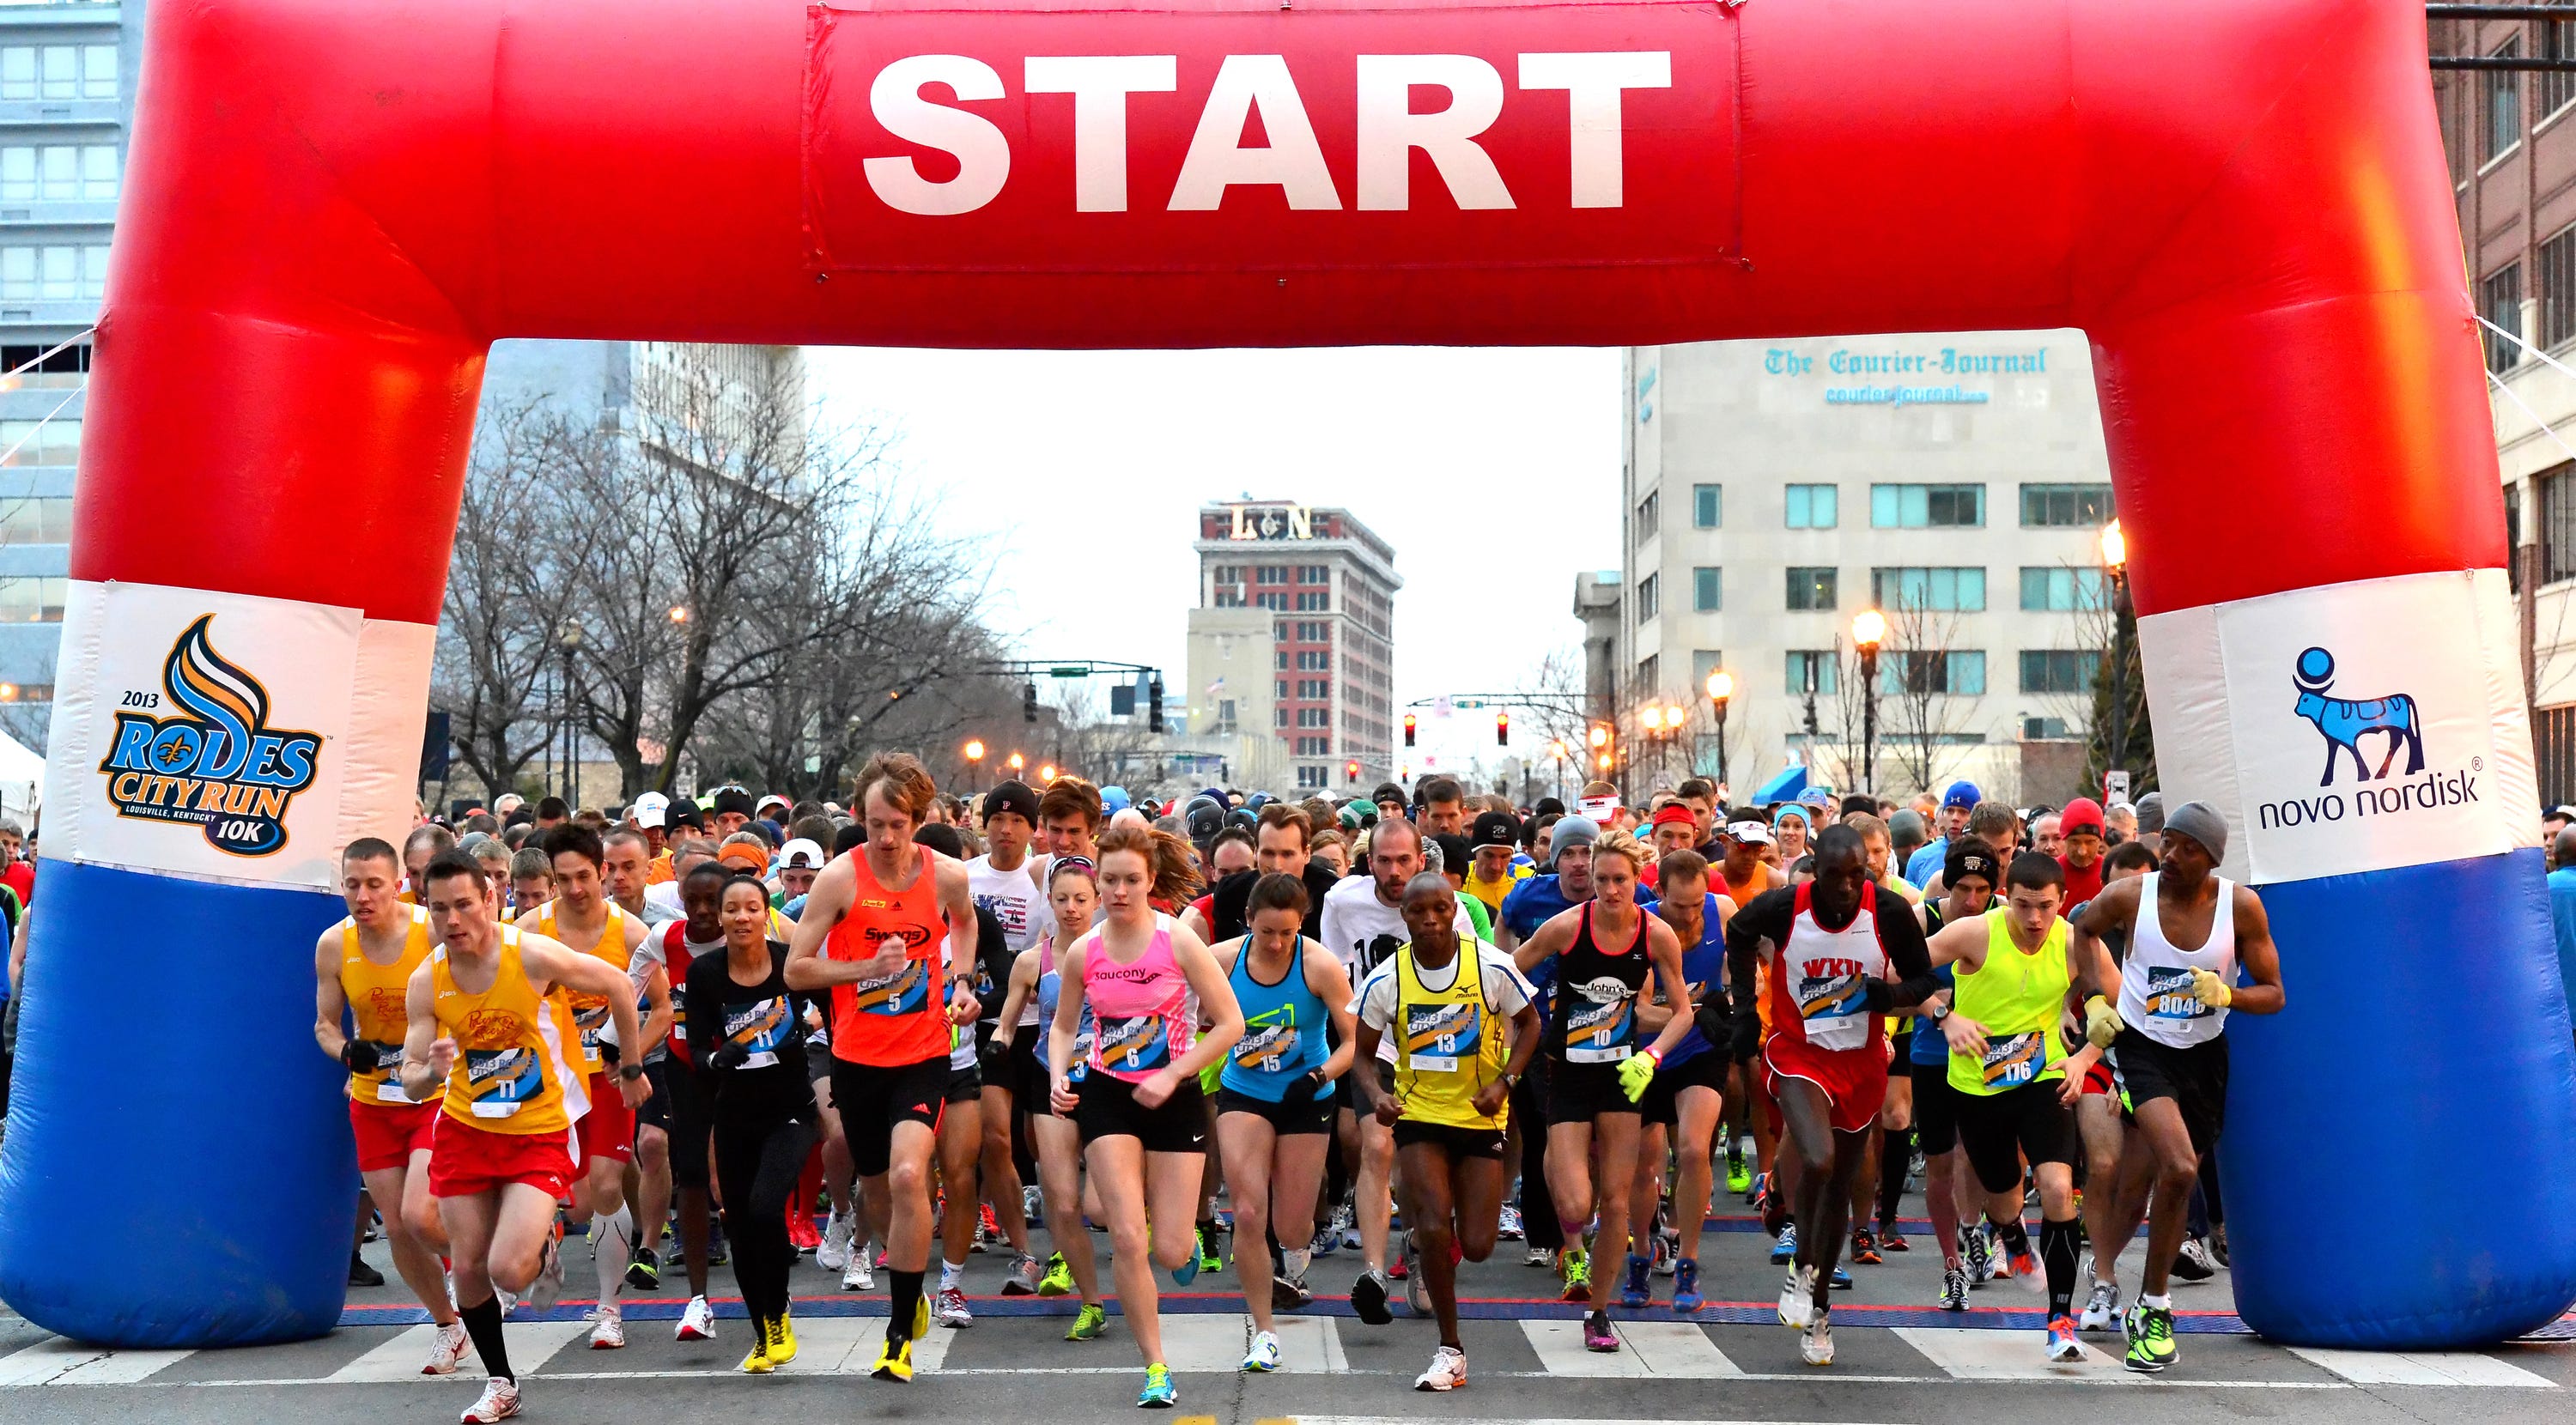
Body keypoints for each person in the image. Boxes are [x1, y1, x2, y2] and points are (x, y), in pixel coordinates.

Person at [398, 850, 647, 1424]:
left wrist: (629, 1067)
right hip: (465, 1129)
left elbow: (616, 982)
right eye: (440, 909)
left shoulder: (530, 954)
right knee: (468, 1267)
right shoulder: (426, 980)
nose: (454, 919)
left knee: (508, 1270)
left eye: (464, 903)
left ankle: (541, 1247)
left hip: (537, 1131)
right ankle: (501, 1383)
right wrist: (430, 1072)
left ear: (491, 898)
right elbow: (411, 1081)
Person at [784, 753, 982, 1384]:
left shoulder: (946, 876)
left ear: (919, 821)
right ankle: (909, 1289)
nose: (887, 837)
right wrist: (865, 970)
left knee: (906, 1174)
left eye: (898, 823)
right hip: (856, 1059)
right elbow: (795, 969)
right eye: (875, 824)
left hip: (924, 1054)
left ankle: (898, 1333)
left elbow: (967, 925)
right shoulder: (840, 879)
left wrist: (960, 978)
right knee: (876, 1191)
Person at [2070, 801, 2283, 1374]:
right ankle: (2155, 1308)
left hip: (2204, 1057)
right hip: (2142, 1049)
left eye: (2189, 848)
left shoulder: (2239, 906)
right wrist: (2092, 999)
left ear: (2212, 859)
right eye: (2169, 841)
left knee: (2157, 1175)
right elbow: (2081, 931)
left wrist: (2229, 995)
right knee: (2181, 1168)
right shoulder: (2131, 896)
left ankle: (2125, 1287)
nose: (2172, 855)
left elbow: (2275, 992)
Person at [1048, 825, 1244, 1409]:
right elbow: (1063, 1026)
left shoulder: (1178, 942)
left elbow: (1231, 1023)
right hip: (1110, 1097)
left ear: (1151, 881)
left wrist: (1174, 1071)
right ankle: (1156, 1366)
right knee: (1129, 1238)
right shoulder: (1085, 950)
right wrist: (1062, 1073)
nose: (1119, 892)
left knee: (1173, 1251)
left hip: (1174, 1097)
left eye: (1131, 880)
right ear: (1096, 882)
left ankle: (1180, 1250)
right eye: (1109, 881)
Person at [1728, 825, 1935, 1367]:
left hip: (1860, 1063)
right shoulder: (1784, 906)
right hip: (1798, 1052)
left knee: (1841, 1185)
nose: (1846, 887)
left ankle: (1819, 1312)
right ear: (1815, 871)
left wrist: (1884, 995)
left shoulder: (1887, 911)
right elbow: (1739, 931)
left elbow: (1929, 985)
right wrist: (1746, 1012)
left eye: (1856, 875)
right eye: (1835, 876)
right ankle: (1801, 1260)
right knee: (1816, 1157)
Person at [1352, 872, 1542, 1392]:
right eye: (1420, 912)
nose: (1432, 920)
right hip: (1420, 1116)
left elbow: (1531, 1025)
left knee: (1478, 1244)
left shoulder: (1490, 965)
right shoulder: (1386, 979)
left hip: (1481, 1116)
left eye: (1441, 909)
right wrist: (1378, 1096)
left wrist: (1505, 1083)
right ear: (1405, 916)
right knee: (1437, 1227)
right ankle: (1450, 1349)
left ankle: (1429, 1244)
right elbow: (1362, 1059)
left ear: (1454, 911)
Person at [1510, 829, 1695, 1351]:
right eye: (1602, 880)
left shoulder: (1655, 934)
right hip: (1566, 1074)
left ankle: (1599, 1311)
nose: (1611, 890)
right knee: (1576, 1202)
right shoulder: (1566, 927)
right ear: (1589, 880)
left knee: (1615, 1202)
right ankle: (1559, 1200)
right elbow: (1506, 972)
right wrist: (1523, 1023)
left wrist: (1650, 1056)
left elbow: (1682, 1013)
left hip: (1621, 1076)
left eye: (1621, 880)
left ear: (1639, 881)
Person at [1921, 852, 2098, 1361]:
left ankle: (2061, 1321)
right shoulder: (1975, 933)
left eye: (2045, 906)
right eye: (2024, 905)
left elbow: (2116, 997)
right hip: (1978, 1088)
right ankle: (2012, 1235)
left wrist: (2084, 1055)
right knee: (2003, 1200)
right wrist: (1945, 1016)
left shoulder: (2072, 941)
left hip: (2045, 1077)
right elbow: (1898, 971)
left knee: (2060, 1188)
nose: (2035, 918)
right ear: (2007, 897)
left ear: (2062, 901)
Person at [315, 838, 464, 1373]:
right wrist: (345, 1051)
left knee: (419, 1213)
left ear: (399, 882)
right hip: (374, 1099)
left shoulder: (430, 930)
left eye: (374, 884)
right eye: (352, 885)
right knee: (399, 1229)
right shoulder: (334, 944)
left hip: (435, 1090)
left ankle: (492, 1253)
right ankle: (449, 1324)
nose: (362, 895)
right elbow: (326, 1025)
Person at [1321, 815, 1476, 1319]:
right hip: (1377, 1046)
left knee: (1421, 1169)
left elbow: (1479, 976)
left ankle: (1418, 1245)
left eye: (1403, 861)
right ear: (1369, 862)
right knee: (1375, 1145)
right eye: (1383, 861)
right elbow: (1334, 968)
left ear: (1422, 860)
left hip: (1436, 1050)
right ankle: (1372, 1269)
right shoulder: (1343, 900)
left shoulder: (1446, 908)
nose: (1393, 871)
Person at [1212, 872, 1356, 1369]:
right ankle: (1265, 1332)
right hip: (1244, 1093)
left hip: (1306, 1096)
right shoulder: (1223, 960)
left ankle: (1294, 1256)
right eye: (1267, 931)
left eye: (1288, 933)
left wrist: (1317, 1074)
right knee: (1249, 1213)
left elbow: (1357, 1043)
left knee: (1292, 1227)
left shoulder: (1319, 965)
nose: (1276, 943)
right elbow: (1183, 1010)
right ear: (1248, 921)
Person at [691, 872, 821, 1372]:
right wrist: (715, 1059)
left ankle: (778, 1311)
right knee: (741, 1226)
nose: (741, 917)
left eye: (751, 908)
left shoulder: (789, 965)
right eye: (731, 910)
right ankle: (765, 1331)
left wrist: (814, 1023)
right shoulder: (706, 975)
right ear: (720, 918)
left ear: (766, 914)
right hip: (734, 1113)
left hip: (790, 1109)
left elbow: (834, 1006)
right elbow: (698, 1047)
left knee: (766, 1209)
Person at [991, 856, 1112, 1338]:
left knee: (1102, 1208)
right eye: (1061, 899)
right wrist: (996, 1042)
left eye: (1081, 899)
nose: (1071, 908)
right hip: (1051, 1080)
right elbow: (1007, 1019)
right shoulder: (1032, 961)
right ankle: (1092, 1300)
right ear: (1048, 903)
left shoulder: (1114, 952)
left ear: (1097, 901)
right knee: (1061, 1204)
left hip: (1107, 1080)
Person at [1625, 848, 1732, 1313]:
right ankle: (1641, 1255)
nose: (1689, 915)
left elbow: (1751, 969)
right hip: (1650, 1056)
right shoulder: (1645, 927)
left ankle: (1688, 1263)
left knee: (1691, 1149)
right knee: (1645, 1164)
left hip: (1700, 1055)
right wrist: (1693, 1013)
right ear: (1659, 894)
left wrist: (1740, 998)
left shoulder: (1722, 912)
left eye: (1696, 904)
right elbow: (1641, 1012)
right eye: (1678, 906)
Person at [2075, 837, 2159, 1331]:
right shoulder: (2086, 929)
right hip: (2096, 1061)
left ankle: (2103, 1259)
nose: (2126, 897)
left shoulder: (2171, 927)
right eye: (2117, 887)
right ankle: (2104, 1280)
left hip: (2151, 1065)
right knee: (2104, 1165)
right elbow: (2064, 995)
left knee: (2137, 1189)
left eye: (2138, 885)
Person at [1905, 781, 1982, 887]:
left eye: (1963, 812)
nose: (1955, 818)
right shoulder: (1920, 858)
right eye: (1950, 811)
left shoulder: (1986, 856)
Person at [1461, 810, 1529, 919]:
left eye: (1504, 857)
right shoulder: (1458, 879)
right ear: (1475, 851)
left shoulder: (1527, 882)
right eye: (1489, 855)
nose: (1496, 866)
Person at [2057, 797, 2109, 904]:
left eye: (2090, 842)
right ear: (2064, 839)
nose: (2082, 852)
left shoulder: (2111, 874)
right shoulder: (2050, 873)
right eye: (2074, 842)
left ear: (2100, 841)